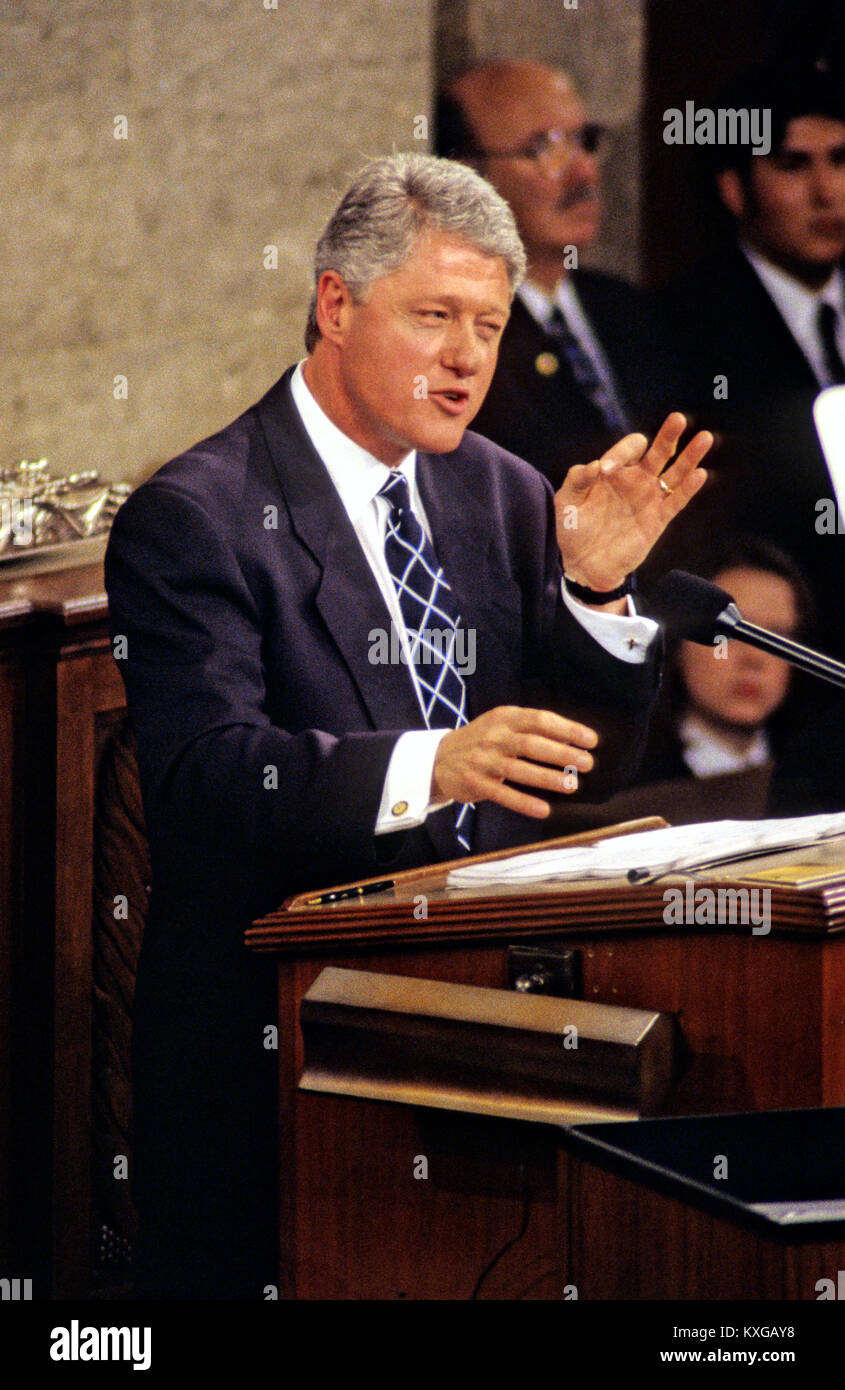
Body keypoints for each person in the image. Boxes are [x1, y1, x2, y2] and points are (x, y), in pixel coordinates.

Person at [105, 152, 710, 1299]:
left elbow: (580, 770)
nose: (468, 358)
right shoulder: (199, 516)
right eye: (434, 316)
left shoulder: (498, 488)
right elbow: (206, 778)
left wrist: (592, 594)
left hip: (490, 1033)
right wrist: (433, 762)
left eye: (488, 324)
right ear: (335, 302)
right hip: (282, 1050)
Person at [657, 62, 845, 654]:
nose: (827, 192)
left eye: (841, 160)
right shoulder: (679, 325)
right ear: (734, 188)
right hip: (780, 650)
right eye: (793, 165)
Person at [436, 58, 683, 489]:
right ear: (465, 173)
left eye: (585, 141)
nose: (584, 171)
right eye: (542, 147)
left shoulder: (625, 306)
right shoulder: (459, 336)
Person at [635, 536, 815, 792]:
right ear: (677, 645)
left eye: (778, 636)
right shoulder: (630, 784)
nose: (754, 658)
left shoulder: (818, 775)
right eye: (729, 633)